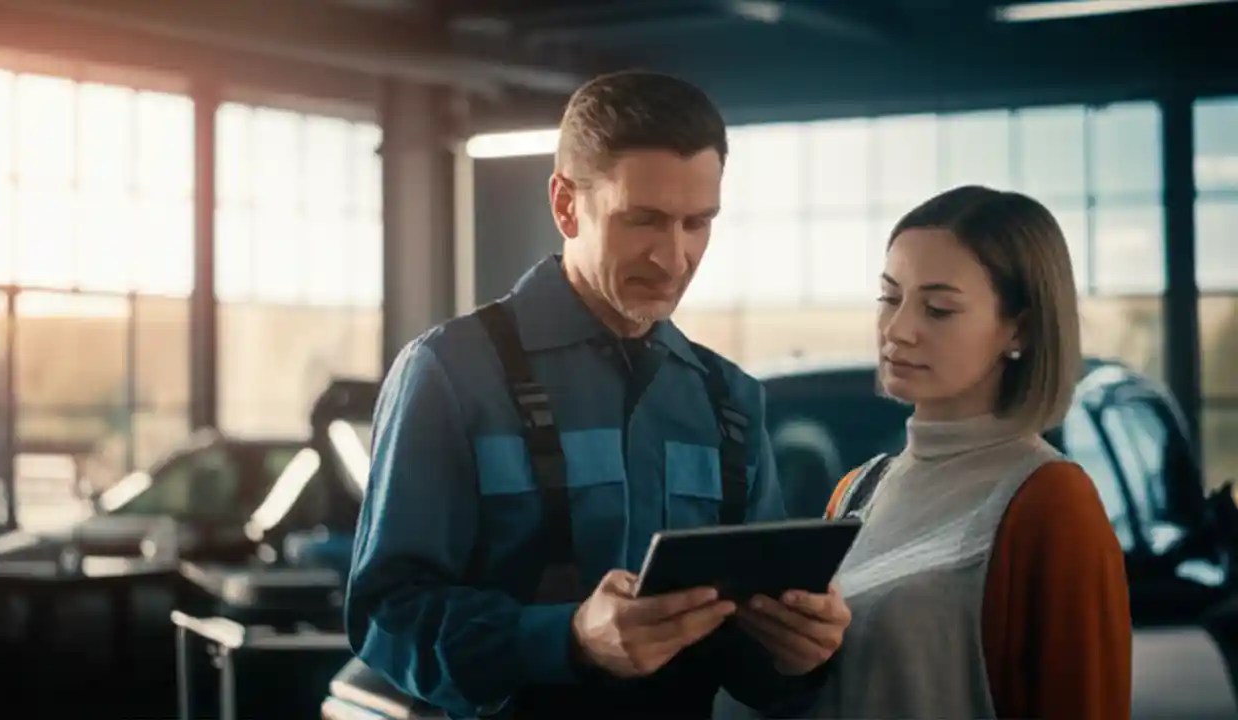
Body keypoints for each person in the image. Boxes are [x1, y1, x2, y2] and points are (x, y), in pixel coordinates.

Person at [344, 70, 852, 719]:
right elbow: (389, 617)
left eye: (698, 222)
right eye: (644, 220)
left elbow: (751, 661)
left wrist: (799, 652)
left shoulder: (728, 401)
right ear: (565, 205)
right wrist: (569, 637)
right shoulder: (450, 375)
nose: (674, 257)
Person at [807, 185, 1132, 718]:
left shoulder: (1050, 502)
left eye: (937, 309)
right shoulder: (856, 489)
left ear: (1019, 329)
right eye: (890, 297)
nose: (897, 329)